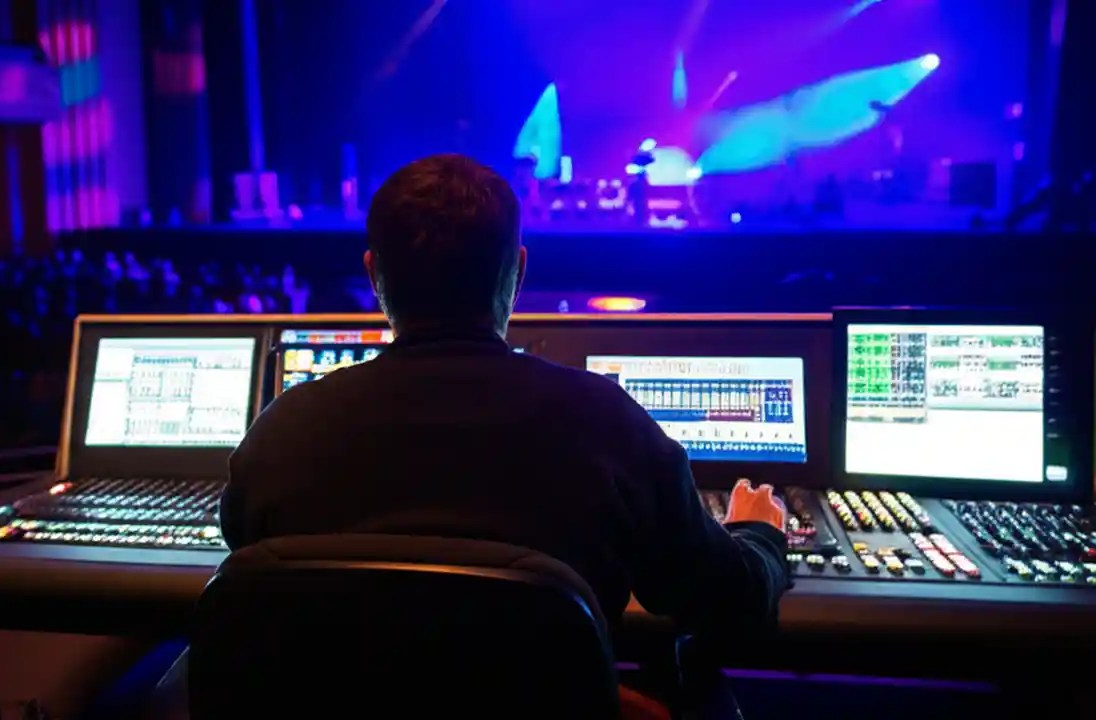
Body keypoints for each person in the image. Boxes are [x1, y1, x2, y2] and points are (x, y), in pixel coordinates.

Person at [216, 154, 789, 716]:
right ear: (516, 269)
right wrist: (758, 536)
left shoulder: (281, 431)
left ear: (373, 272)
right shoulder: (604, 423)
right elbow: (727, 604)